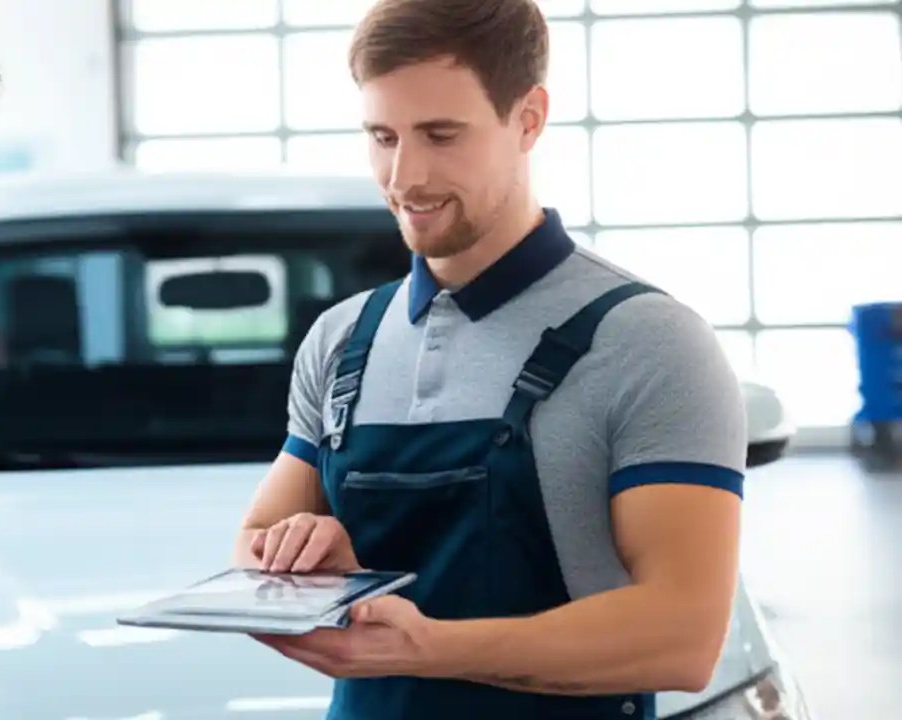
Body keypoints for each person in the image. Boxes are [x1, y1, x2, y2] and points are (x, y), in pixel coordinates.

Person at [233, 1, 746, 718]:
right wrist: (301, 556)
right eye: (382, 136)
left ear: (529, 118)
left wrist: (425, 647)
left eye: (442, 135)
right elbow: (255, 547)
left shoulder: (648, 342)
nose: (404, 177)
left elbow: (681, 639)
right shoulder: (344, 338)